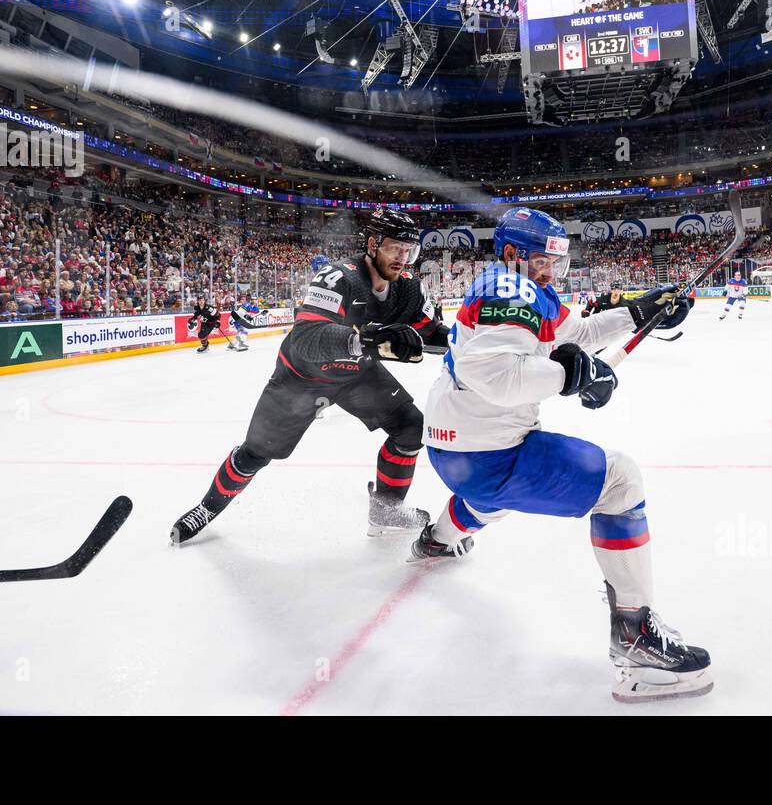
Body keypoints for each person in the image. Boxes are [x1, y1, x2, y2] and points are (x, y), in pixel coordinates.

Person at [410, 207, 709, 703]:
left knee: (491, 499)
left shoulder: (518, 284)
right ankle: (635, 638)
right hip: (488, 454)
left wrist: (640, 312)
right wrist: (575, 376)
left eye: (555, 261)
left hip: (454, 449)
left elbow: (579, 336)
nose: (549, 270)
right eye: (541, 260)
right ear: (510, 253)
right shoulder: (510, 289)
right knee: (620, 481)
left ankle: (438, 541)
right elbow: (498, 379)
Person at [169, 207, 448, 544]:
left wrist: (479, 343)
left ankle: (386, 510)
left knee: (410, 427)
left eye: (408, 250)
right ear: (372, 244)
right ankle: (207, 508)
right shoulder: (338, 277)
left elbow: (433, 333)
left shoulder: (407, 289)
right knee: (255, 453)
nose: (402, 258)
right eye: (394, 248)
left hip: (356, 376)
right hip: (302, 376)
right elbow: (305, 339)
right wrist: (367, 340)